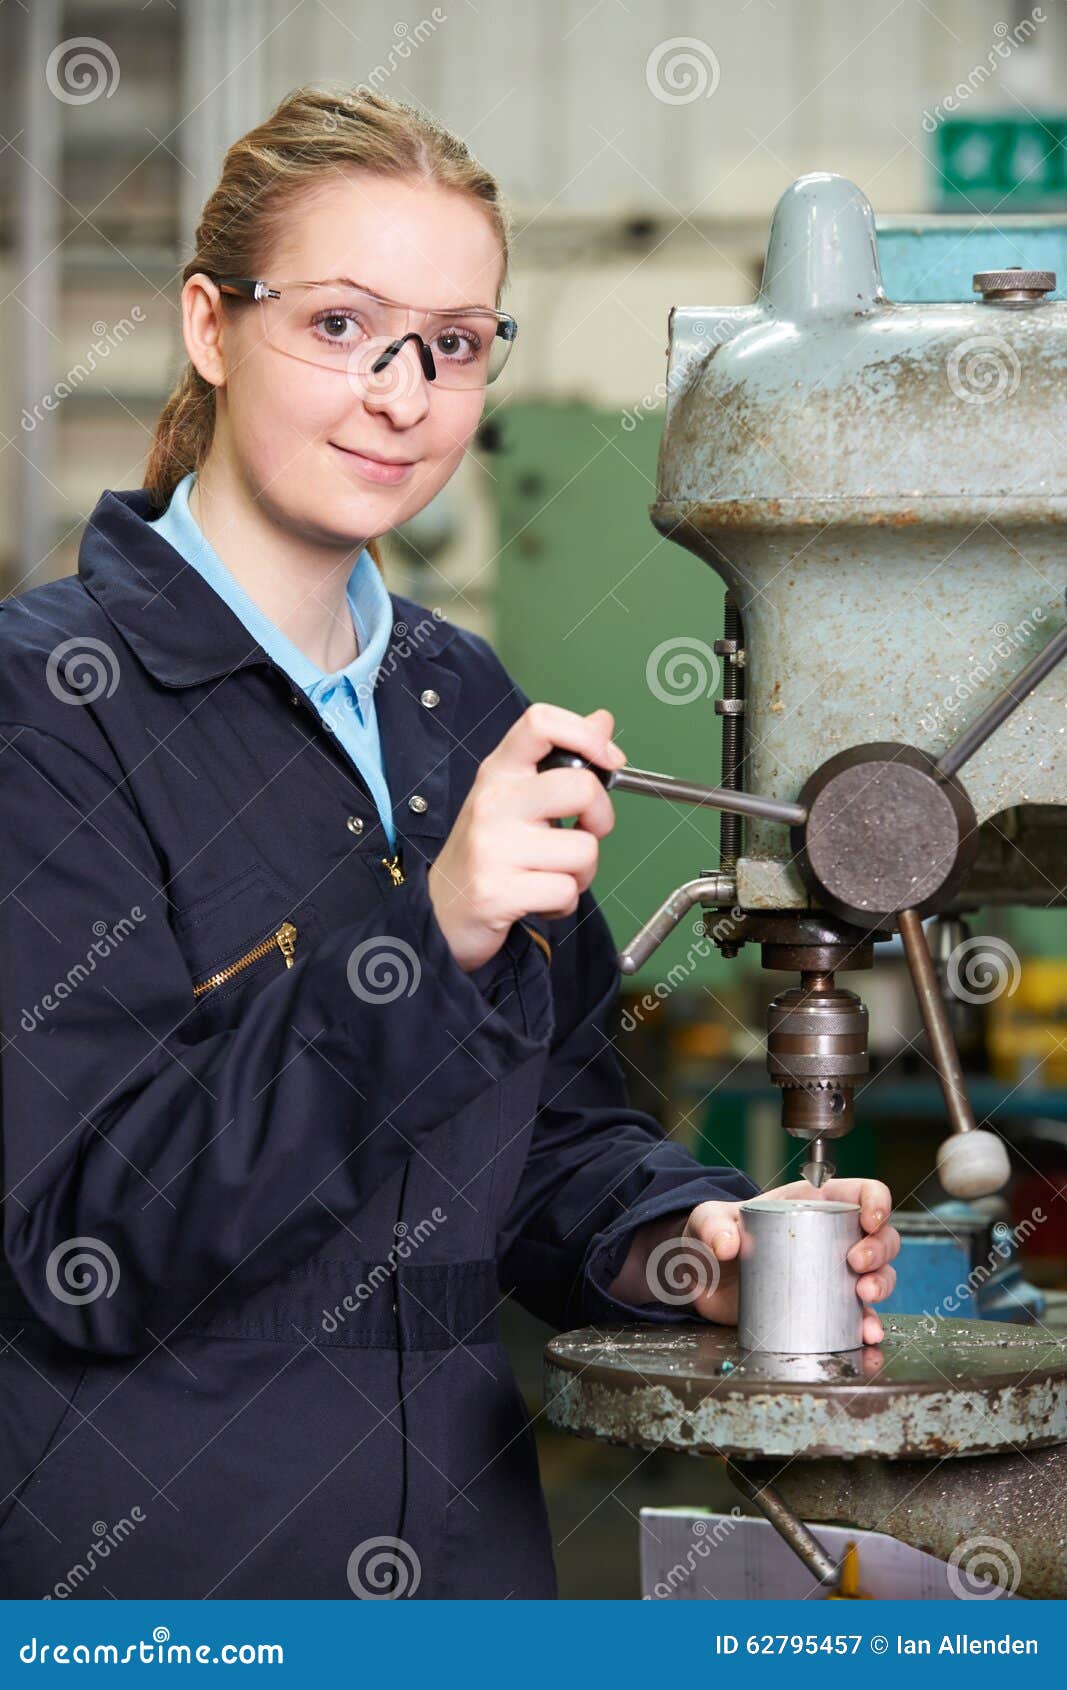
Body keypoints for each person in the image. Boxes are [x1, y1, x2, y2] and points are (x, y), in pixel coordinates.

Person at [0, 86, 898, 1600]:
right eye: (342, 325)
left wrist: (686, 1239)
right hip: (174, 1584)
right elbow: (87, 1240)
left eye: (457, 341)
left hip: (467, 1573)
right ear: (209, 325)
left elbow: (551, 1140)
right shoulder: (49, 706)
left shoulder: (458, 702)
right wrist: (427, 936)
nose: (402, 392)